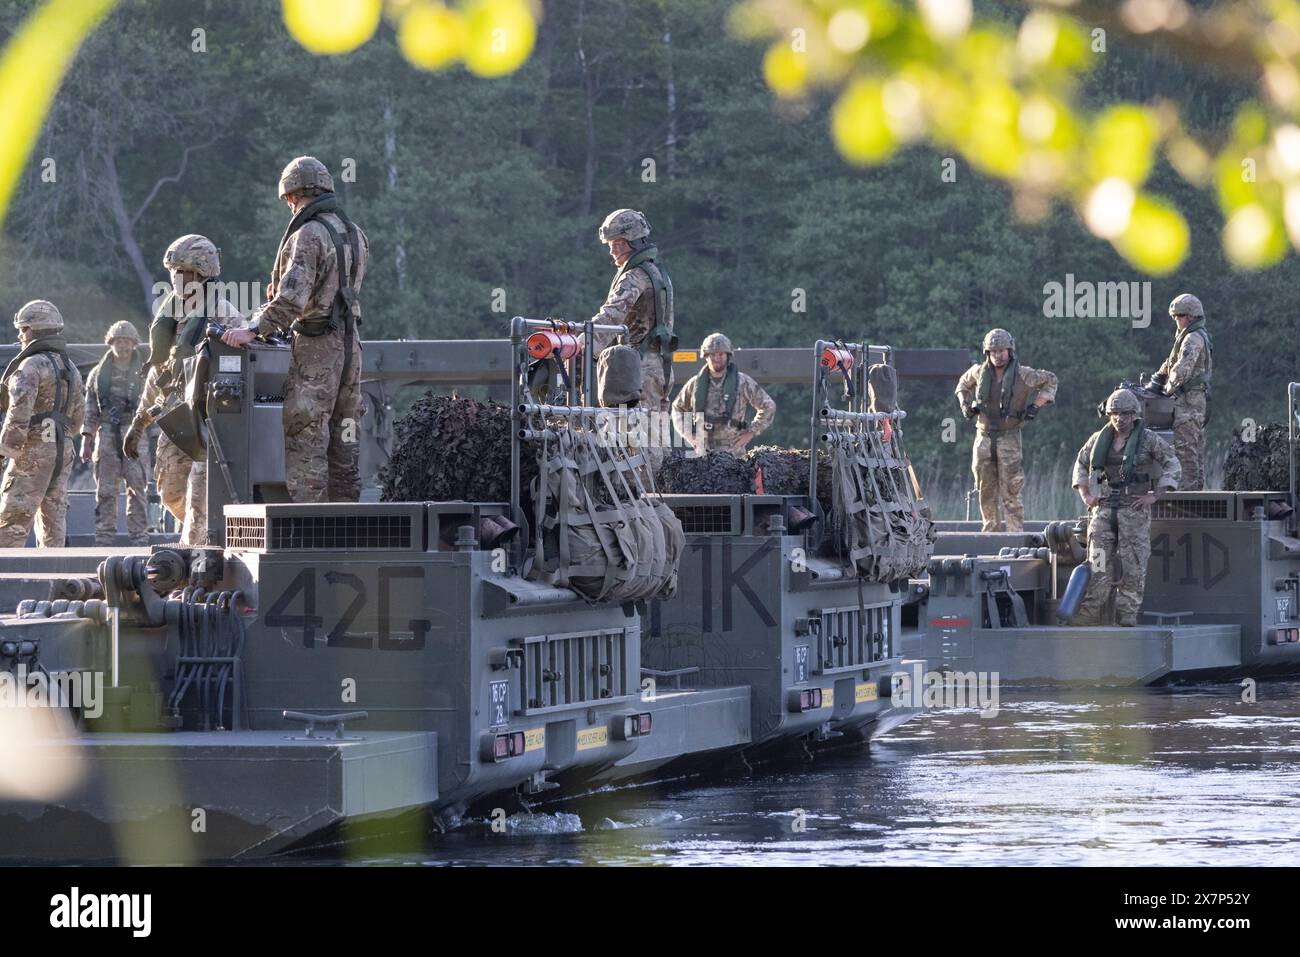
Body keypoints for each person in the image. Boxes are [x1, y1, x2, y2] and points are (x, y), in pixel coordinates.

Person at [221, 156, 368, 503]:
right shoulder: (355, 233)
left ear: (294, 195)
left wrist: (253, 329)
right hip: (351, 346)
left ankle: (311, 534)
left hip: (317, 349)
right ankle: (346, 531)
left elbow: (291, 300)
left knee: (307, 438)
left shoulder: (308, 235)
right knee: (344, 441)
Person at [123, 234, 244, 546]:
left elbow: (245, 365)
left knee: (198, 497)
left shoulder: (223, 313)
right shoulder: (169, 315)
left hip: (211, 421)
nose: (176, 279)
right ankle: (204, 534)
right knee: (170, 490)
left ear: (203, 274)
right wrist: (139, 423)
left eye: (183, 272)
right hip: (177, 417)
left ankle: (198, 557)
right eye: (173, 272)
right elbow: (159, 374)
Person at [1070, 388, 1181, 627]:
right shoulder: (1099, 439)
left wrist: (1157, 494)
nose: (1120, 419)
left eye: (1125, 414)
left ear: (1134, 415)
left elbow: (1172, 464)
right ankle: (1092, 610)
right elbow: (1081, 463)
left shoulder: (1149, 439)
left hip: (1134, 509)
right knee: (1097, 560)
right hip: (1104, 508)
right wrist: (1086, 494)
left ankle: (1127, 612)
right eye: (1115, 414)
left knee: (1133, 563)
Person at [955, 328, 1057, 532]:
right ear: (987, 353)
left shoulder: (1023, 374)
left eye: (1002, 351)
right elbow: (961, 386)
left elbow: (1051, 380)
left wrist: (1036, 405)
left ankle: (1014, 535)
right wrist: (965, 404)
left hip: (1009, 437)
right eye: (993, 351)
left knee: (1011, 489)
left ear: (1010, 351)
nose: (997, 356)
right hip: (983, 437)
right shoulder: (977, 371)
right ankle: (990, 531)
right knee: (985, 488)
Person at [0, 300, 85, 547]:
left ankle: (5, 580)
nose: (20, 334)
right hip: (63, 447)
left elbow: (19, 414)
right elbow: (78, 418)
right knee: (53, 520)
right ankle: (54, 576)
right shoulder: (71, 368)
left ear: (31, 330)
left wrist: (4, 452)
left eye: (22, 328)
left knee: (12, 521)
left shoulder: (29, 366)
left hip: (33, 449)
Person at [589, 208, 675, 413]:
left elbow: (610, 316)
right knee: (654, 438)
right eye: (611, 245)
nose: (612, 251)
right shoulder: (656, 271)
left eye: (618, 244)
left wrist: (582, 343)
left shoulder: (634, 276)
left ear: (635, 243)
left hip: (638, 370)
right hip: (658, 365)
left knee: (636, 438)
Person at [82, 320, 148, 545]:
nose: (123, 346)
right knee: (106, 491)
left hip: (136, 434)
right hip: (107, 435)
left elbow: (153, 406)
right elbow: (90, 410)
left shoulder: (144, 373)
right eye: (118, 341)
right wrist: (86, 440)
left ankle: (140, 539)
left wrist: (158, 439)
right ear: (111, 343)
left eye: (127, 341)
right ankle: (103, 540)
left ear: (134, 344)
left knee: (137, 489)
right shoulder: (98, 375)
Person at [671, 332, 775, 456]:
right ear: (706, 356)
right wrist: (689, 435)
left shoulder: (742, 382)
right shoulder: (695, 384)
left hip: (734, 453)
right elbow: (677, 408)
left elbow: (768, 405)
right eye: (712, 354)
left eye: (721, 354)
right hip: (703, 453)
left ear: (728, 355)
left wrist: (751, 432)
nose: (717, 358)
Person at [1150, 292, 1212, 490]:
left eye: (1180, 316)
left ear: (1191, 316)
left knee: (1186, 449)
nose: (1176, 320)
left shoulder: (1192, 338)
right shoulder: (1191, 336)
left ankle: (1189, 493)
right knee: (1194, 446)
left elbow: (1183, 368)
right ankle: (1195, 489)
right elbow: (1172, 364)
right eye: (1175, 317)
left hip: (1188, 401)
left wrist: (1166, 390)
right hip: (1194, 399)